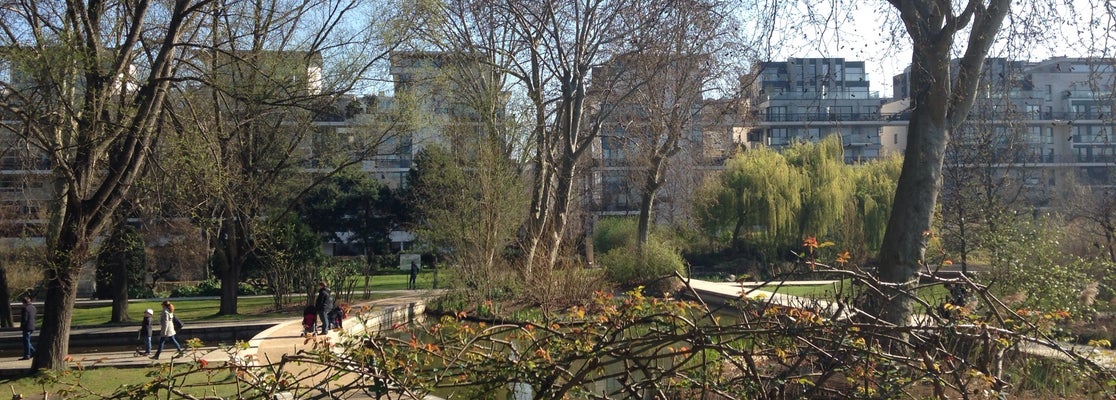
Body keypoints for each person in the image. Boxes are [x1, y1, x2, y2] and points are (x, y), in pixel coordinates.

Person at [19, 296, 35, 360]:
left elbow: (24, 319)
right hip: (32, 326)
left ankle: (27, 354)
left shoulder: (25, 308)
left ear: (23, 302)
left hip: (26, 326)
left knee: (26, 341)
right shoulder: (33, 308)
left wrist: (22, 326)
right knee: (27, 340)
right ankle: (33, 352)